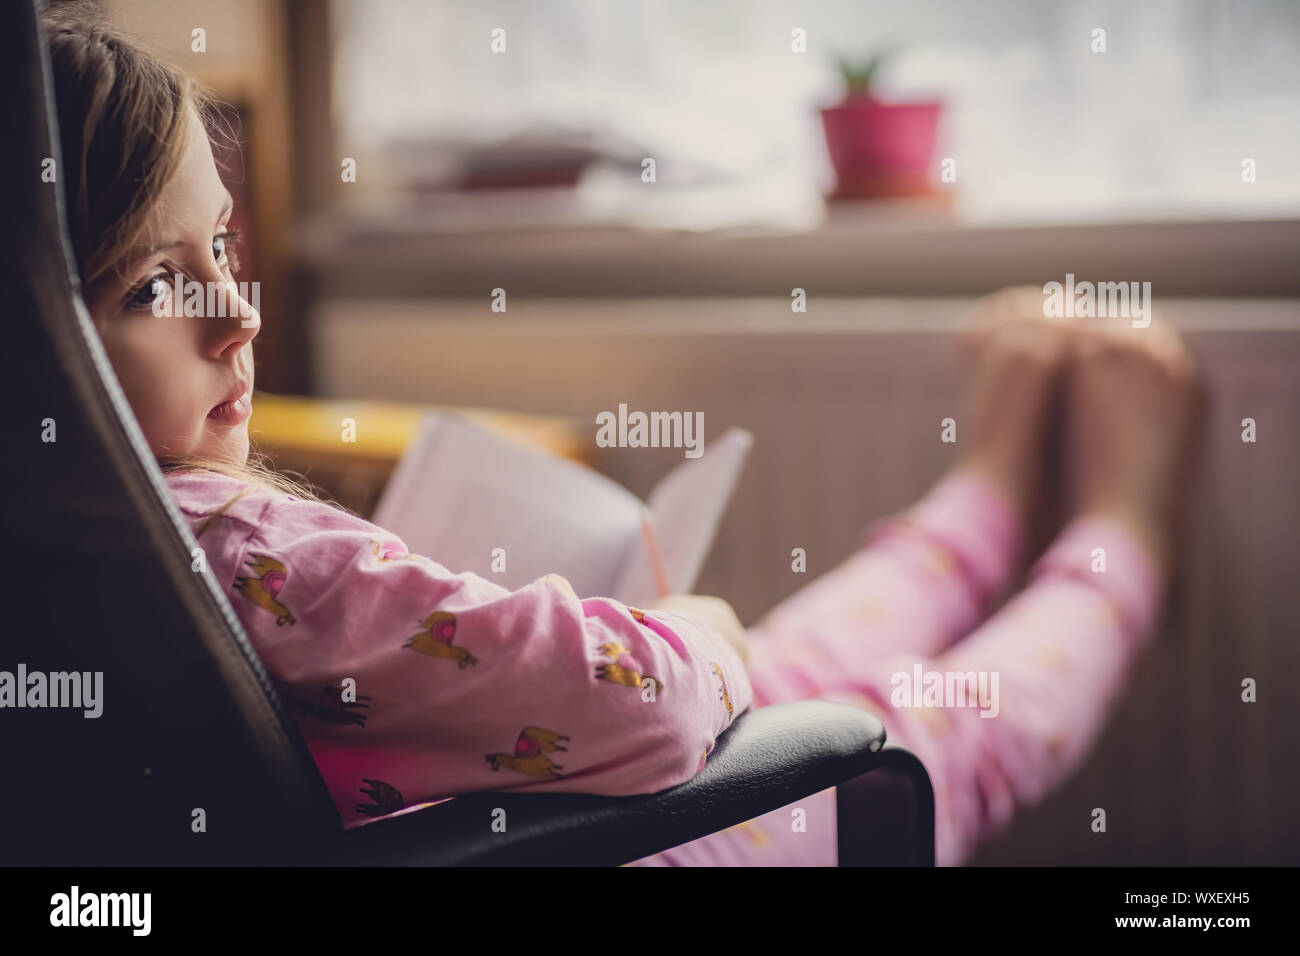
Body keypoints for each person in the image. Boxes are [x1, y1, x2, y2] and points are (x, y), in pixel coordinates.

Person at [43, 2, 1204, 867]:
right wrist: (692, 634)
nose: (237, 314)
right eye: (154, 285)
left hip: (565, 784)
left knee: (810, 645)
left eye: (225, 251)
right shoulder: (244, 550)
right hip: (647, 833)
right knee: (930, 730)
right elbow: (646, 698)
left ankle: (992, 491)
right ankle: (1120, 535)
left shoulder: (59, 548)